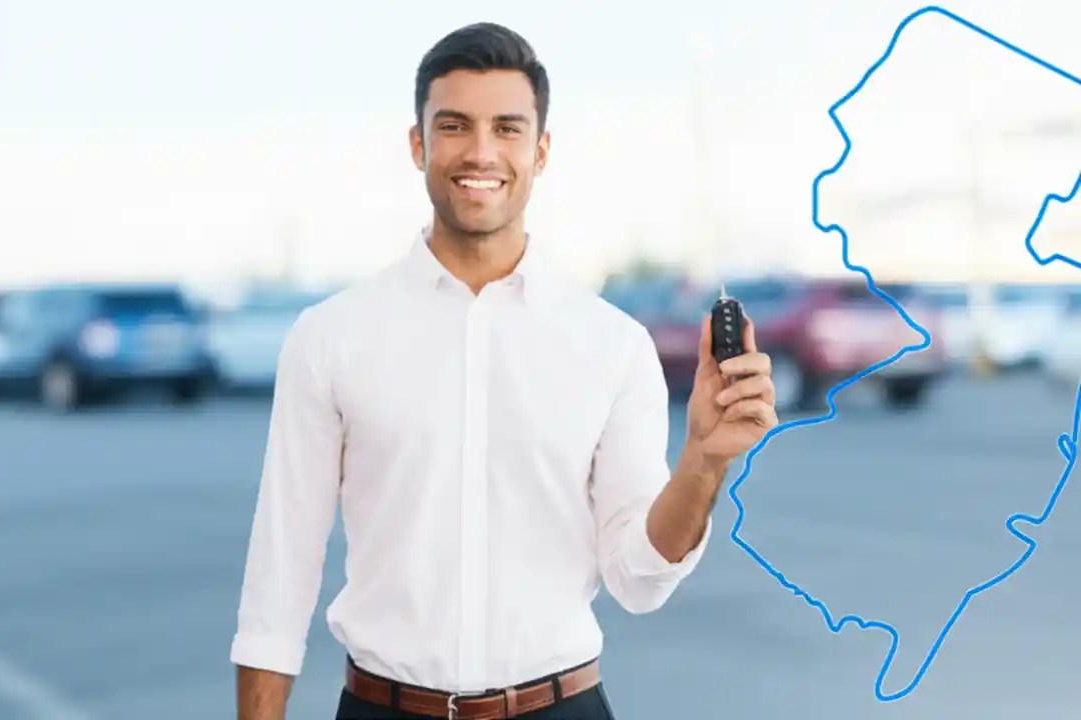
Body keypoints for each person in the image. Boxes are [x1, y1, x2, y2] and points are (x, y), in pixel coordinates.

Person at [232, 22, 779, 720]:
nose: (481, 151)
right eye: (454, 125)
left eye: (508, 128)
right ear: (417, 144)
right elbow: (279, 576)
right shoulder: (331, 337)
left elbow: (639, 578)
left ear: (541, 150)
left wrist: (703, 459)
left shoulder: (611, 344)